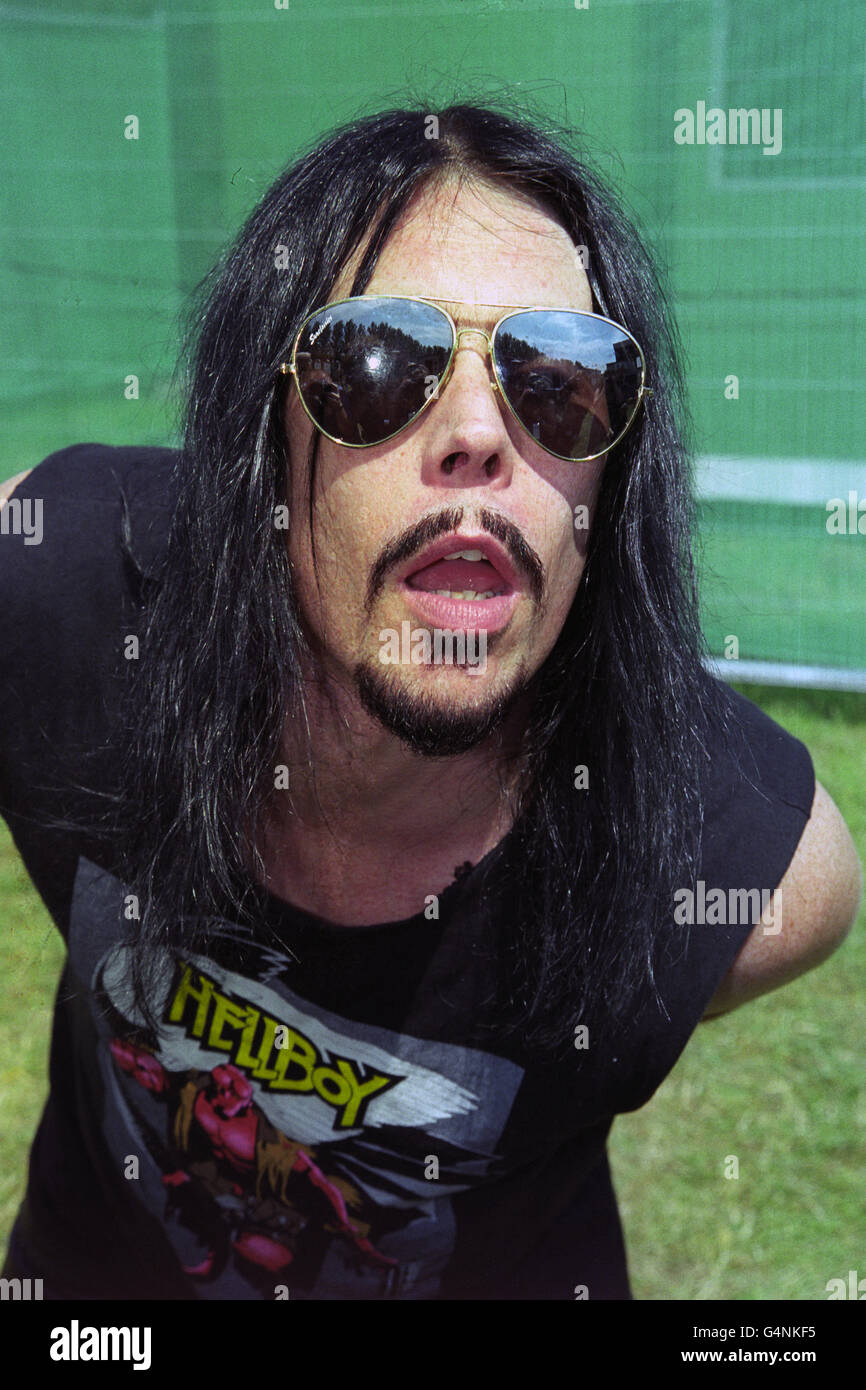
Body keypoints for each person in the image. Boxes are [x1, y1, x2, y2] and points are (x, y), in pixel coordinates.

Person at [0, 102, 860, 1302]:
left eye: (559, 381)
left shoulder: (731, 861)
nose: (475, 435)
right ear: (259, 433)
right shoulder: (63, 605)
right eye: (373, 364)